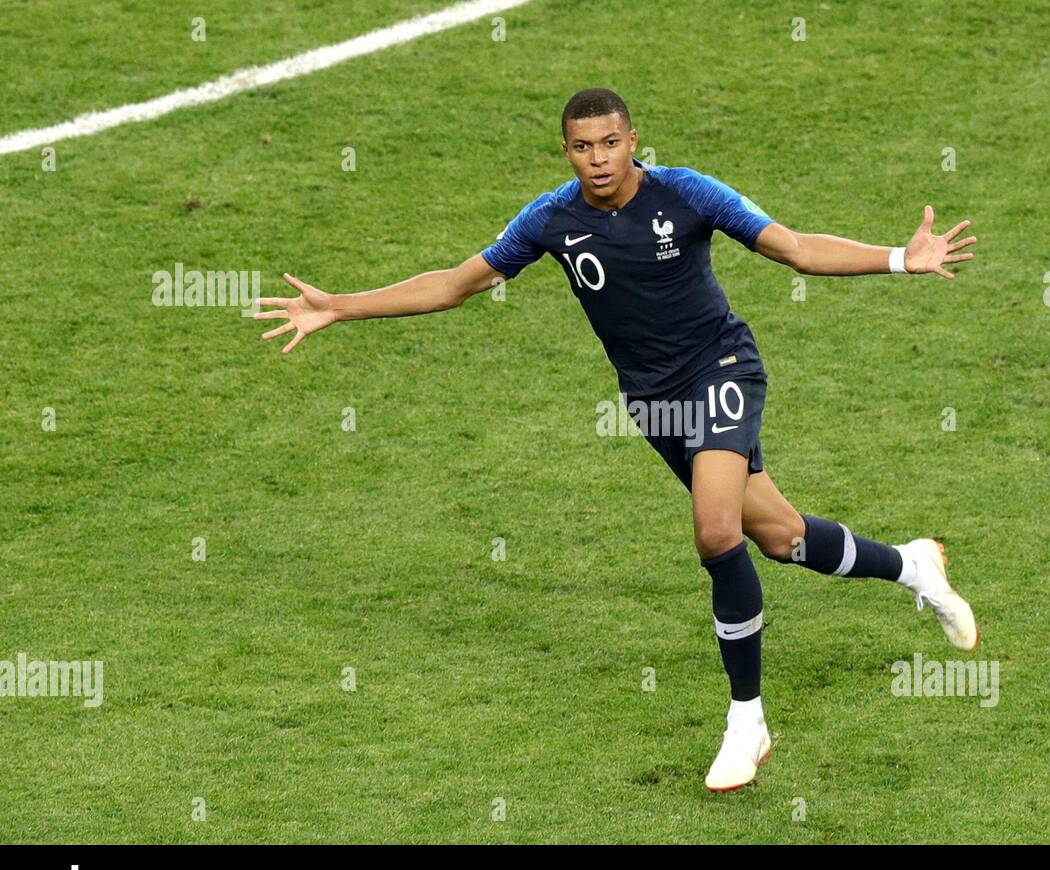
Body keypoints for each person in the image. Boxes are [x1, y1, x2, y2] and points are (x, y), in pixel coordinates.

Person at [253, 87, 979, 792]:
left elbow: (794, 249)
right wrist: (340, 307)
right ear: (565, 152)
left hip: (723, 368)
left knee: (714, 529)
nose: (597, 159)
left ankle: (747, 720)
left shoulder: (688, 193)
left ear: (633, 141)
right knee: (781, 537)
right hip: (656, 406)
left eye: (609, 143)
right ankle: (912, 565)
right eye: (581, 147)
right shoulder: (550, 220)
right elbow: (453, 284)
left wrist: (898, 257)